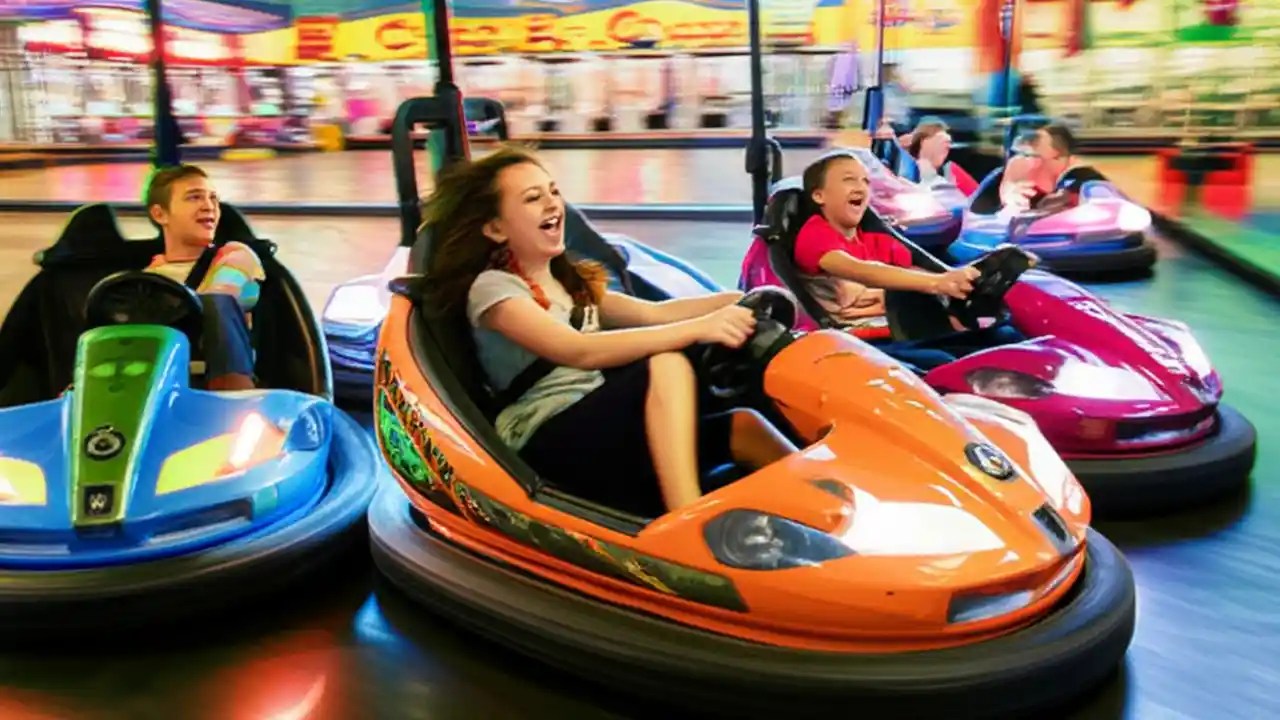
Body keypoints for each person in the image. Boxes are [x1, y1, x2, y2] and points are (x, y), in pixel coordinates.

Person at [423, 146, 798, 516]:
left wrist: (738, 300)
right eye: (533, 198)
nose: (553, 204)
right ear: (495, 228)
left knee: (746, 427)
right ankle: (686, 519)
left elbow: (653, 314)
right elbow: (577, 351)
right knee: (665, 365)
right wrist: (701, 327)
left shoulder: (571, 281)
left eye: (554, 191)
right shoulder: (494, 289)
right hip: (547, 438)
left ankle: (834, 503)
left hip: (604, 425)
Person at [793, 151, 1022, 371]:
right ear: (818, 195)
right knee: (941, 361)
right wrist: (937, 283)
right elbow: (858, 270)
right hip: (853, 343)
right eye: (848, 179)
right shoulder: (815, 234)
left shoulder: (875, 240)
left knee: (1006, 337)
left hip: (902, 331)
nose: (861, 186)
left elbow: (921, 269)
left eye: (865, 181)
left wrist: (966, 280)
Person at [144, 164, 264, 391]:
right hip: (161, 385)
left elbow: (220, 296)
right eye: (194, 198)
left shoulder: (235, 256)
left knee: (216, 303)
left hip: (213, 381)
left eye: (213, 199)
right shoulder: (145, 278)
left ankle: (232, 393)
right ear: (160, 214)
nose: (208, 206)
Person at [905, 118, 979, 196]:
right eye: (939, 141)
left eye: (947, 146)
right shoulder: (906, 171)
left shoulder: (952, 173)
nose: (945, 148)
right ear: (924, 142)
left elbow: (979, 198)